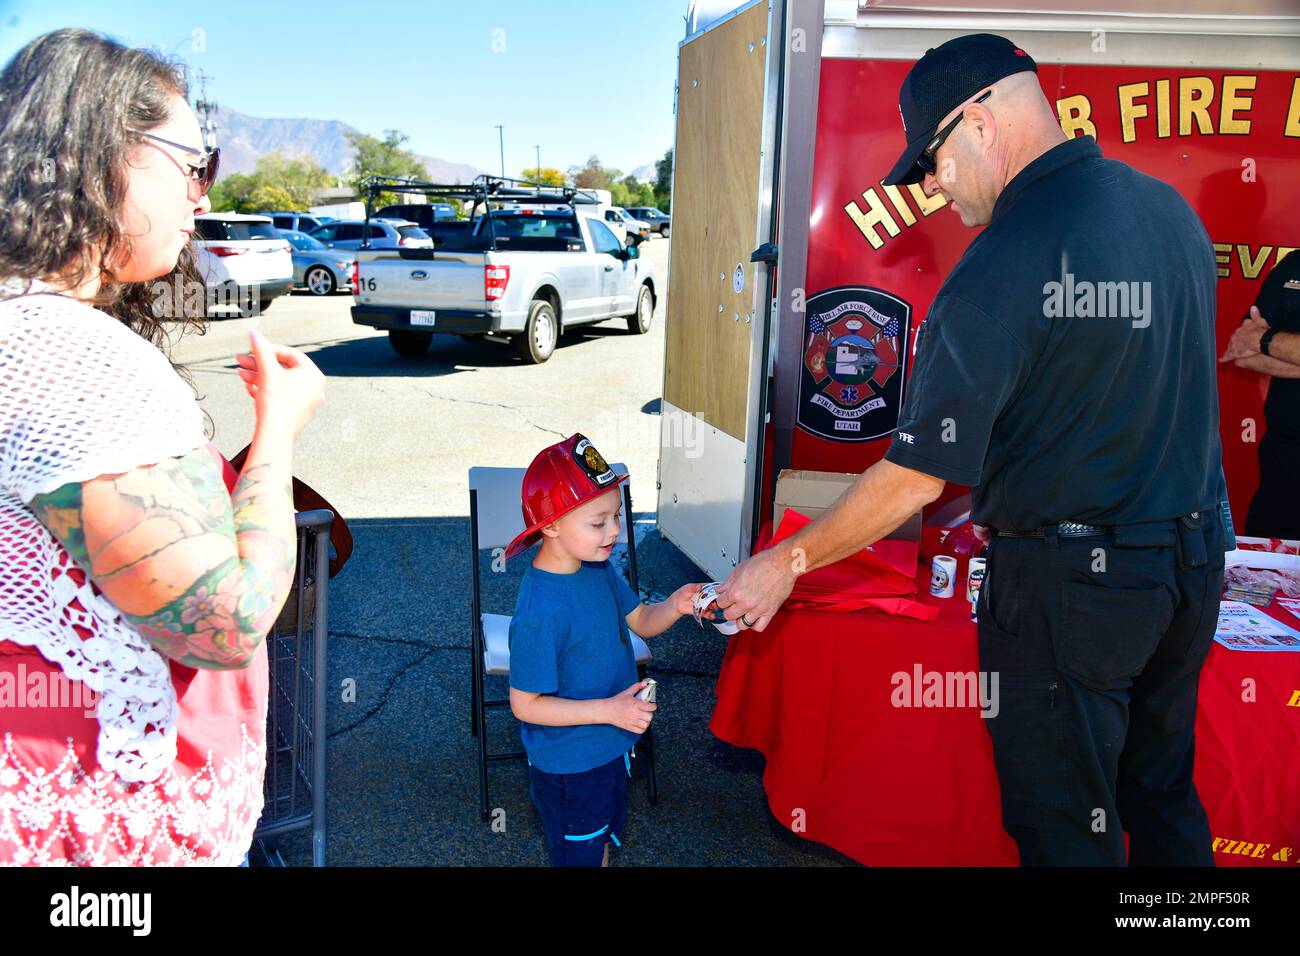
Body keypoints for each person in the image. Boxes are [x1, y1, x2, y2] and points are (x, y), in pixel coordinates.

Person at [717, 33, 1227, 866]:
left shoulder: (1004, 263)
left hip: (1075, 594)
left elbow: (918, 475)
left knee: (1065, 824)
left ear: (980, 122)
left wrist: (785, 563)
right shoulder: (1168, 210)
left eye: (932, 159)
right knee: (1161, 793)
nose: (931, 185)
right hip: (1191, 565)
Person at [0, 29, 325, 865]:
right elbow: (225, 622)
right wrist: (278, 434)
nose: (202, 196)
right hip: (89, 836)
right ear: (101, 155)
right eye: (192, 162)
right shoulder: (66, 355)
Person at [503, 433, 701, 867]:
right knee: (580, 855)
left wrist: (677, 603)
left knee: (600, 845)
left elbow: (642, 622)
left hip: (610, 743)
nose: (615, 530)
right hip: (572, 764)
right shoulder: (539, 612)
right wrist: (609, 711)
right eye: (598, 522)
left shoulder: (597, 567)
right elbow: (525, 704)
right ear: (550, 526)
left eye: (616, 515)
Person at [1219, 250, 1300, 539]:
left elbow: (1256, 342)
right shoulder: (1293, 266)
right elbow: (1243, 353)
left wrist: (1266, 339)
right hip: (1286, 462)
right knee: (1266, 570)